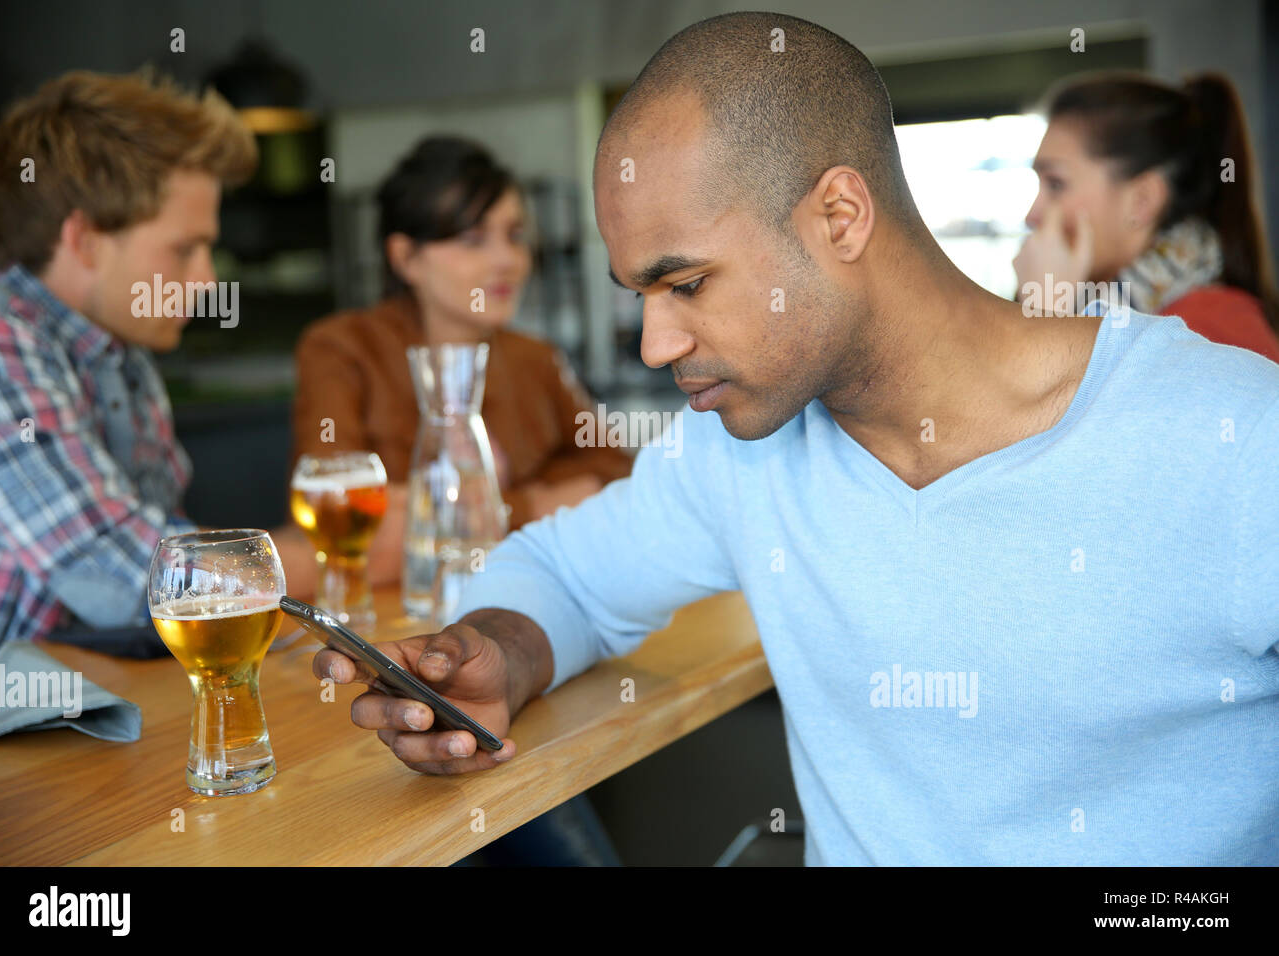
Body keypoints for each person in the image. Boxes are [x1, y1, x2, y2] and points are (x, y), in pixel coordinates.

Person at [315, 12, 1279, 865]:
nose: (657, 345)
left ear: (840, 216)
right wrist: (501, 656)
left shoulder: (1232, 439)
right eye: (641, 296)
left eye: (685, 284)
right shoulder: (740, 450)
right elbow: (566, 577)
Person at [0, 70, 321, 655]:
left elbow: (166, 554)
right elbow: (125, 576)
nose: (208, 280)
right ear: (84, 240)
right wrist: (320, 559)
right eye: (184, 248)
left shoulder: (119, 350)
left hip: (88, 713)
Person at [290, 136, 632, 534]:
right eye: (473, 240)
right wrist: (532, 504)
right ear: (405, 258)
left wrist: (481, 508)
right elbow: (335, 502)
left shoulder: (535, 357)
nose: (507, 260)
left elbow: (616, 471)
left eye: (515, 236)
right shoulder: (342, 347)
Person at [1014, 70, 1279, 361]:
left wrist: (1044, 313)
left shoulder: (1212, 335)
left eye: (1056, 184)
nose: (1032, 216)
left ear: (1141, 201)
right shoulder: (1116, 318)